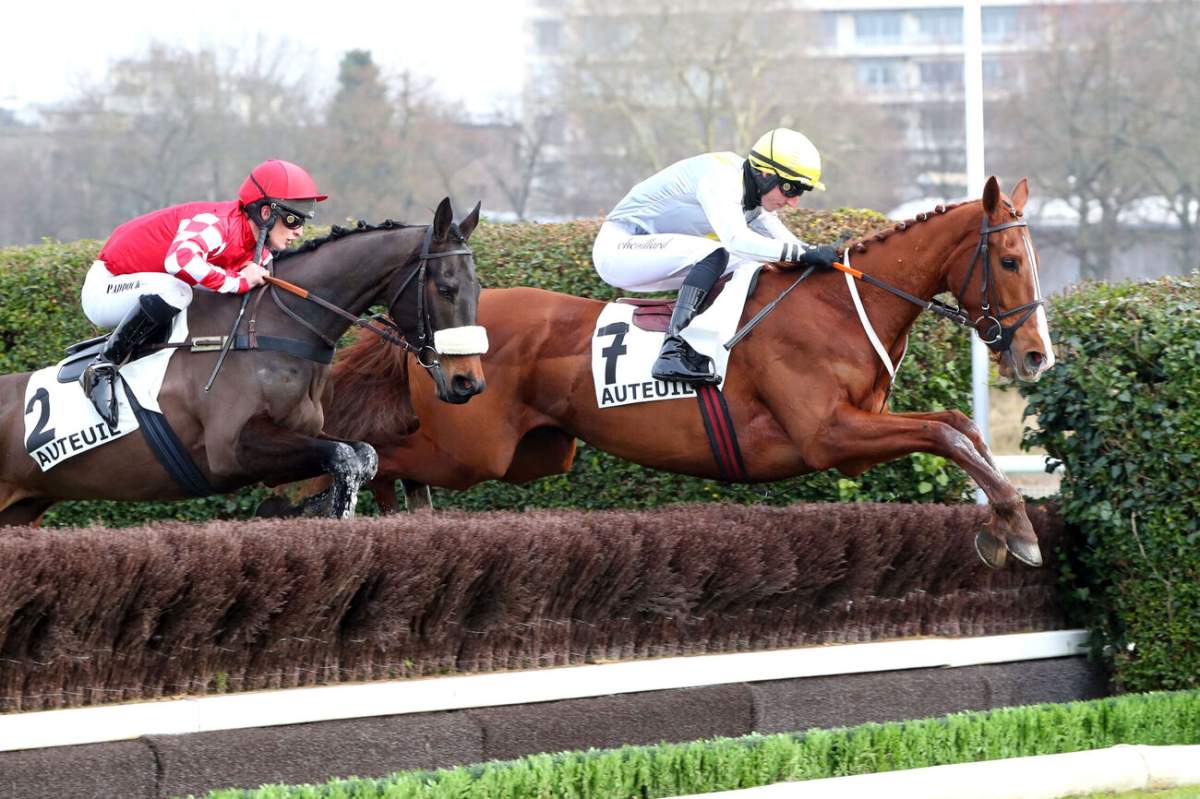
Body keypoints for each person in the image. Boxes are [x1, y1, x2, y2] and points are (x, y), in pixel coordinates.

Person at [78, 159, 328, 427]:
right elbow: (179, 260)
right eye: (293, 219)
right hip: (109, 286)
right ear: (266, 213)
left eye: (302, 221)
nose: (299, 231)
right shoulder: (218, 223)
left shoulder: (259, 248)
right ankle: (103, 366)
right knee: (178, 290)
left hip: (145, 287)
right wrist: (239, 281)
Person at [592, 128, 838, 384]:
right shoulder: (721, 179)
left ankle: (716, 341)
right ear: (765, 174)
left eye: (801, 192)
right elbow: (738, 241)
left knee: (752, 267)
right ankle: (672, 350)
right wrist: (804, 253)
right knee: (718, 253)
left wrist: (828, 256)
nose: (794, 202)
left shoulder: (752, 195)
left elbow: (790, 244)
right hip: (619, 248)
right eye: (790, 189)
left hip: (650, 252)